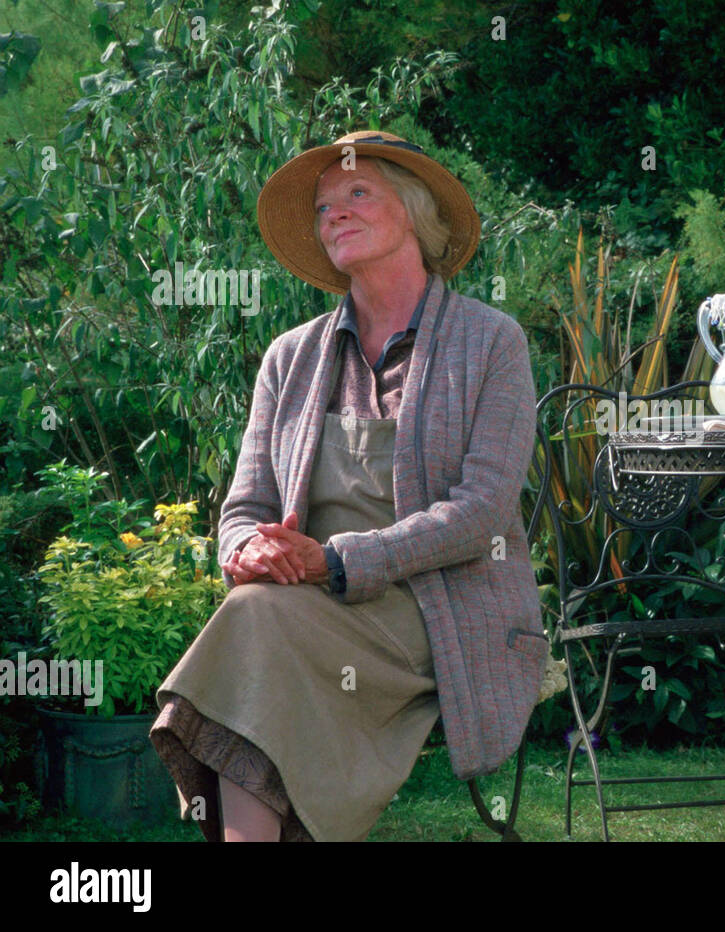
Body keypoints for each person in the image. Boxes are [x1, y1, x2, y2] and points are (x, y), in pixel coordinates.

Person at [149, 130, 546, 841]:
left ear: (415, 212)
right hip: (301, 609)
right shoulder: (289, 357)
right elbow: (245, 507)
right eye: (324, 206)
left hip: (438, 614)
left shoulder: (491, 342)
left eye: (357, 192)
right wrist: (247, 551)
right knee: (256, 614)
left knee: (255, 628)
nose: (334, 213)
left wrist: (334, 560)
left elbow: (482, 512)